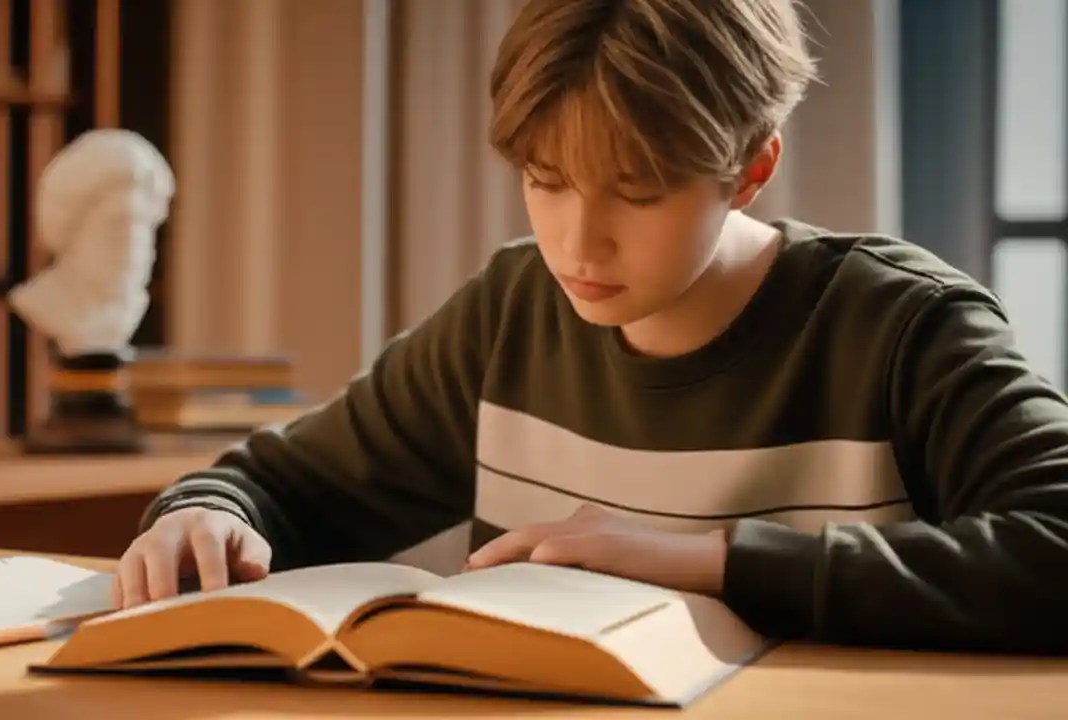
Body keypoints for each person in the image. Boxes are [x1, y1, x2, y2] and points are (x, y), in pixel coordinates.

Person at [115, 0, 1068, 652]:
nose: (579, 243)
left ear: (750, 170)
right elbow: (282, 487)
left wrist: (708, 562)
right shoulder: (512, 314)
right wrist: (208, 512)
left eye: (639, 193)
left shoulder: (903, 326)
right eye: (545, 180)